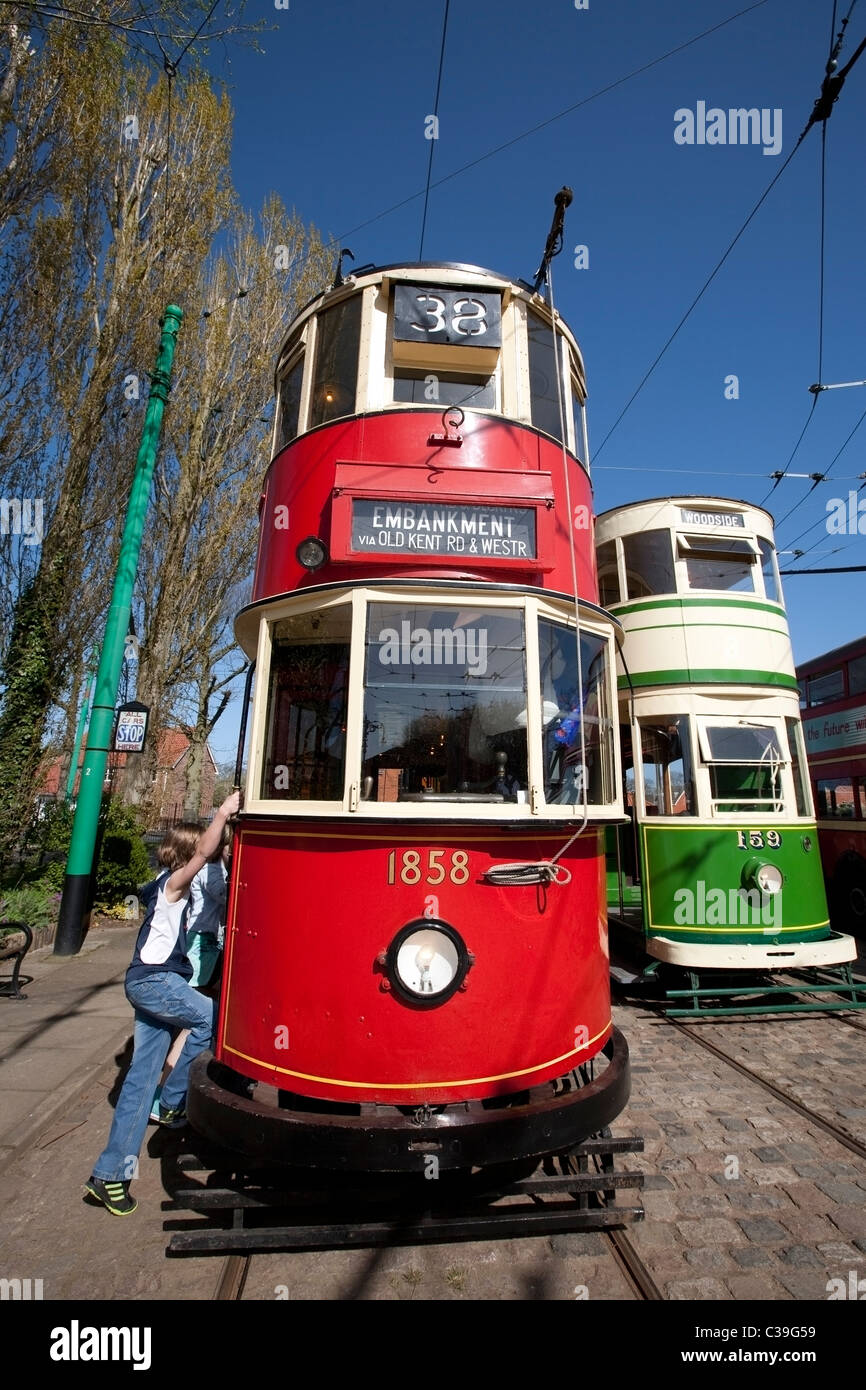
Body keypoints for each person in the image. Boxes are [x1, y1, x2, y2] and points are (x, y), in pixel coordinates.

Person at [84, 791, 240, 1217]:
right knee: (213, 1019)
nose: (205, 861)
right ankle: (174, 1099)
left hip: (146, 981)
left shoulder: (158, 886)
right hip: (156, 981)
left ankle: (110, 1175)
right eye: (200, 857)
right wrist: (224, 812)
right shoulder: (174, 884)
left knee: (139, 1079)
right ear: (188, 857)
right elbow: (207, 849)